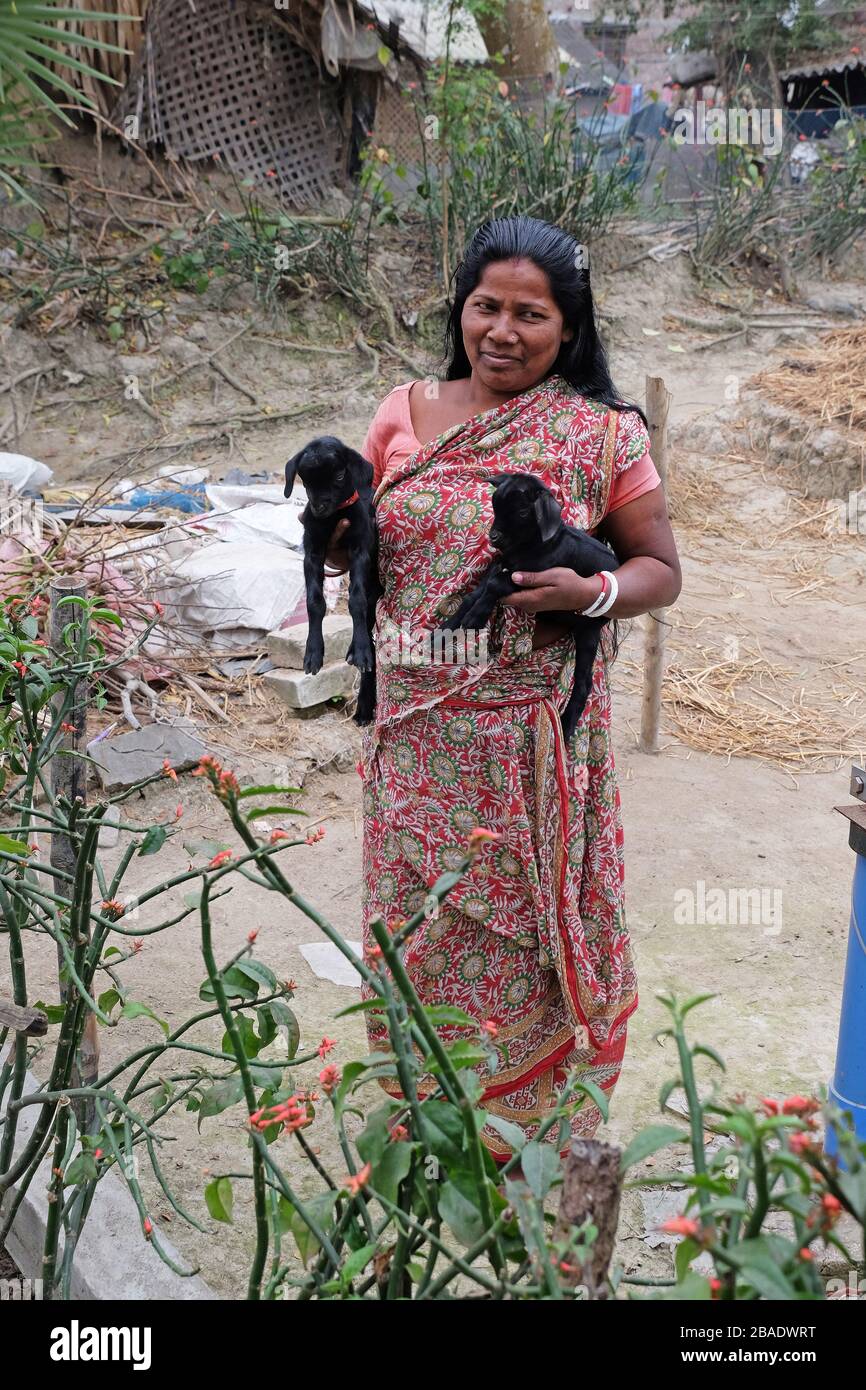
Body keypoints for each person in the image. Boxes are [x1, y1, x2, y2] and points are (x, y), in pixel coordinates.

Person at [326, 216, 681, 1159]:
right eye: (488, 306)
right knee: (419, 929)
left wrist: (592, 591)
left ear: (569, 328)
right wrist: (331, 539)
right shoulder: (403, 411)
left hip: (535, 751)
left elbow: (659, 569)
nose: (504, 330)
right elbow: (363, 551)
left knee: (526, 939)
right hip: (414, 745)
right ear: (462, 309)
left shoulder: (601, 434)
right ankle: (430, 1139)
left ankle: (538, 1155)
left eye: (533, 313)